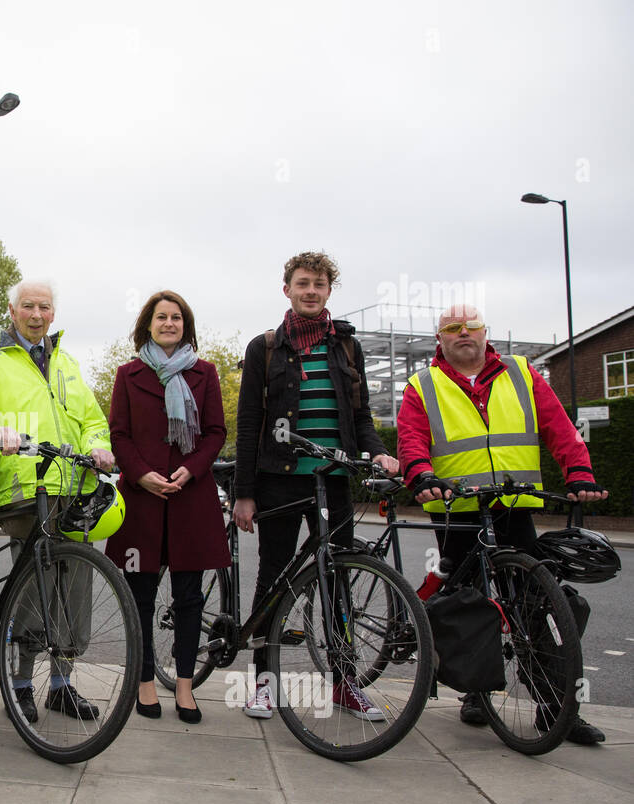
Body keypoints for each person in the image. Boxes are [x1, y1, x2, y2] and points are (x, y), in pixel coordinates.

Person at [397, 304, 609, 744]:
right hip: (458, 510)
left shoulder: (522, 372)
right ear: (440, 339)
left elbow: (559, 428)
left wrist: (579, 473)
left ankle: (557, 709)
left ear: (484, 331)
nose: (463, 334)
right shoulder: (423, 385)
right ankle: (476, 692)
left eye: (470, 326)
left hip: (513, 506)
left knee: (536, 606)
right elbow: (411, 438)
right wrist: (419, 473)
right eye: (452, 329)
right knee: (468, 607)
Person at [233, 251, 400, 719]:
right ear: (287, 288)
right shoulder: (265, 347)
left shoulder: (346, 346)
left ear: (329, 291)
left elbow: (361, 414)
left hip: (336, 480)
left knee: (338, 583)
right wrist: (244, 493)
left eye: (320, 284)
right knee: (274, 577)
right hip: (280, 481)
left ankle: (345, 684)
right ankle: (264, 683)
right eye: (303, 282)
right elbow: (250, 425)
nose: (311, 290)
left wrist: (378, 451)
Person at [0, 278, 115, 723]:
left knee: (76, 578)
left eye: (44, 307)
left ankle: (63, 685)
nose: (36, 314)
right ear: (12, 311)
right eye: (27, 306)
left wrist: (99, 445)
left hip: (73, 487)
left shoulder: (66, 362)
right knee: (38, 576)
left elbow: (92, 420)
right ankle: (22, 684)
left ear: (53, 314)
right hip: (23, 489)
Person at [106, 291, 228, 724]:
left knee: (189, 597)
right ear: (148, 325)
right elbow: (118, 434)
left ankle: (184, 684)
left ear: (185, 326)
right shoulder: (128, 374)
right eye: (162, 317)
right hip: (142, 499)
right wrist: (139, 474)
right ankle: (142, 682)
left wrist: (191, 470)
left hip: (190, 499)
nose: (169, 323)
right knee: (139, 596)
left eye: (177, 318)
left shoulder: (205, 373)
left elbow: (215, 432)